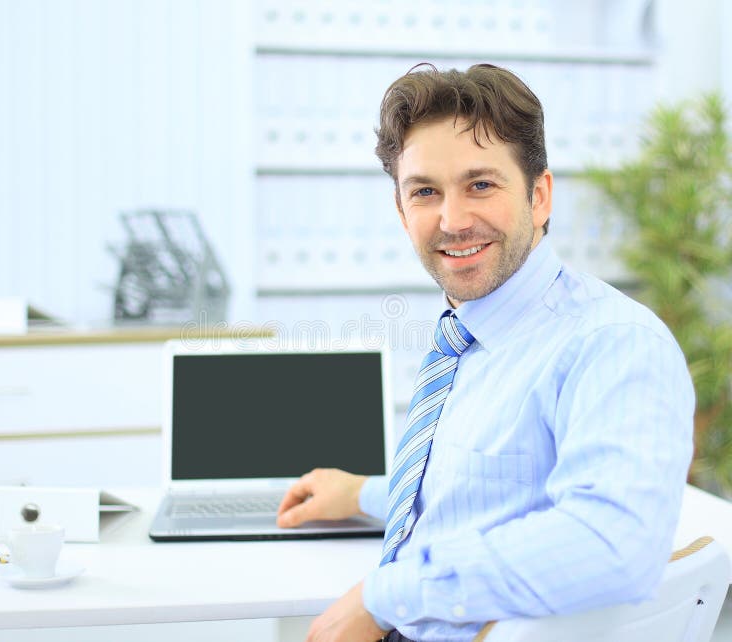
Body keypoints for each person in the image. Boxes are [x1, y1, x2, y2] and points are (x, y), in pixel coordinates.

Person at [276, 63, 695, 642]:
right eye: (425, 192)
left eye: (481, 184)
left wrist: (384, 599)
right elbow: (487, 488)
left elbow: (612, 543)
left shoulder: (612, 343)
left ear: (539, 195)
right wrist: (365, 493)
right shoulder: (471, 332)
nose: (452, 220)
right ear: (402, 212)